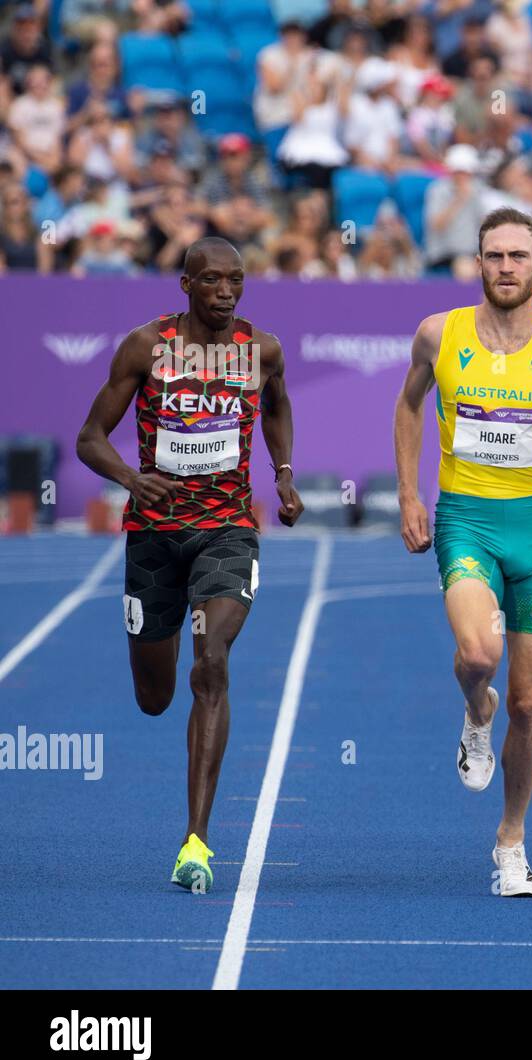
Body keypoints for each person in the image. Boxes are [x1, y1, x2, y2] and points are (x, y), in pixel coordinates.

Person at [394, 207, 532, 898]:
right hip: (467, 520)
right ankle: (474, 707)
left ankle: (511, 841)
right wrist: (409, 493)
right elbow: (407, 408)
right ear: (478, 262)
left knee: (529, 702)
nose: (506, 268)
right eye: (494, 256)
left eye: (519, 256)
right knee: (479, 657)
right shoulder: (440, 332)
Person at [74, 237, 304, 892]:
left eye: (235, 280)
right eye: (211, 280)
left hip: (228, 531)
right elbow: (90, 436)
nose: (226, 292)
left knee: (212, 663)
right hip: (153, 536)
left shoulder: (260, 350)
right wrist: (129, 477)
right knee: (155, 696)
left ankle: (196, 839)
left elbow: (278, 402)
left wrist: (283, 474)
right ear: (184, 285)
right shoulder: (147, 347)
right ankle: (164, 658)